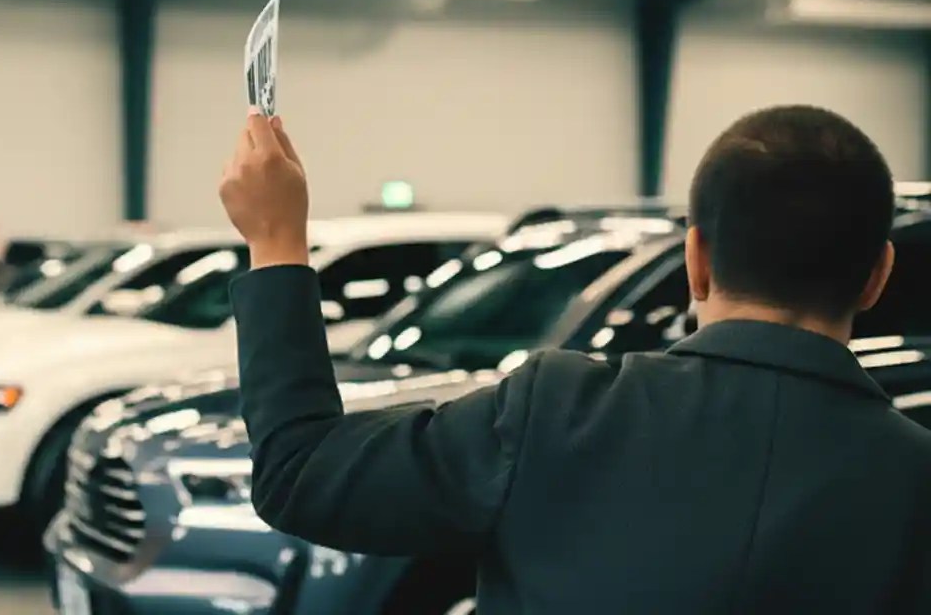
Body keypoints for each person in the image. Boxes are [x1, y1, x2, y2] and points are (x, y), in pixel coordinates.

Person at [219, 106, 931, 613]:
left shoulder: (558, 408)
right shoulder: (913, 482)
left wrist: (277, 238)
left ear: (696, 260)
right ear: (877, 275)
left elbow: (301, 473)